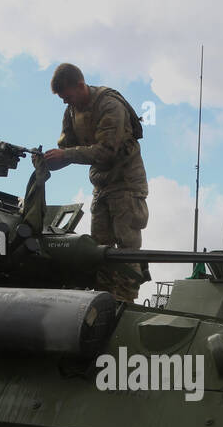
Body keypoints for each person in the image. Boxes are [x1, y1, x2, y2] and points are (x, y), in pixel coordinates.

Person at [41, 64, 150, 303]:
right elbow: (67, 148)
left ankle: (125, 302)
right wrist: (47, 161)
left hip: (126, 185)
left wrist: (65, 155)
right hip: (102, 185)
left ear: (80, 86)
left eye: (67, 96)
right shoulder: (72, 111)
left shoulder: (109, 105)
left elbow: (107, 151)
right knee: (99, 248)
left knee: (127, 247)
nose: (65, 102)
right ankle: (104, 300)